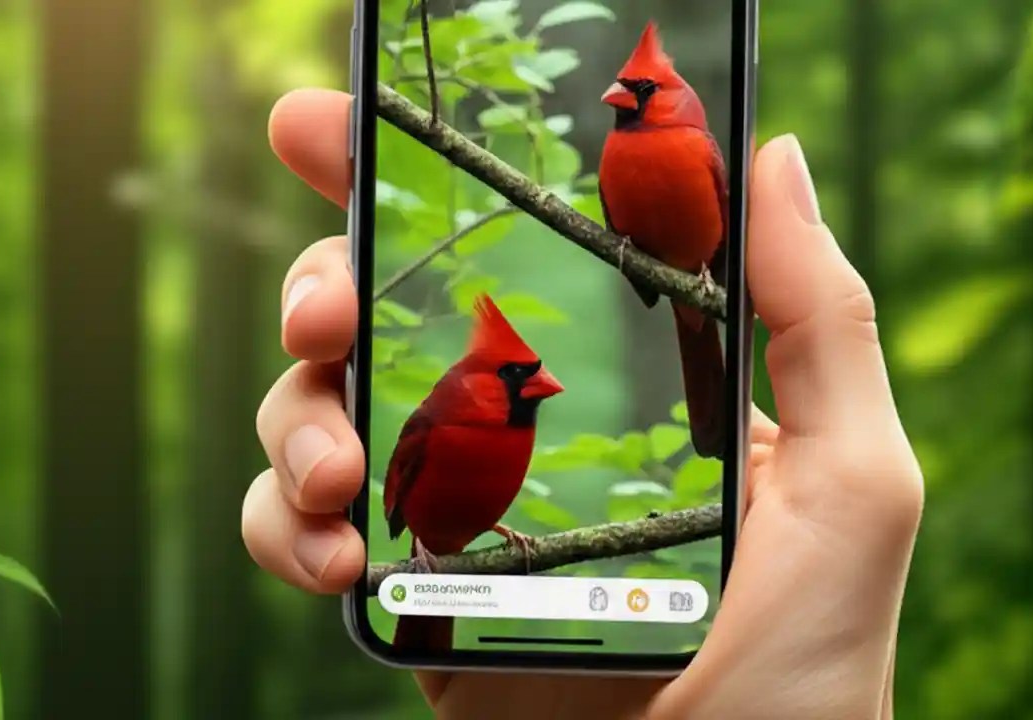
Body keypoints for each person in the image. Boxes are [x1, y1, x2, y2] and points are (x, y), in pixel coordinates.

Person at [243, 88, 924, 719]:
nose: (537, 384)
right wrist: (417, 550)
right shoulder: (434, 423)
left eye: (644, 88)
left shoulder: (696, 148)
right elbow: (395, 494)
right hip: (429, 551)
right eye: (516, 377)